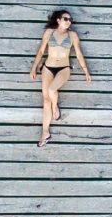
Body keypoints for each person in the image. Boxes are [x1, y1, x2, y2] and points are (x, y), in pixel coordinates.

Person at [29, 8, 92, 146]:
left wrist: (86, 71)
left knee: (51, 91)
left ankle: (55, 107)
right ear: (58, 20)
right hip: (48, 68)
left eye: (70, 20)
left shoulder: (73, 35)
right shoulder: (49, 33)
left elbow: (79, 54)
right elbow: (41, 51)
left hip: (64, 68)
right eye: (65, 19)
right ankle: (45, 132)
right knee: (46, 101)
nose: (68, 22)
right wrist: (34, 68)